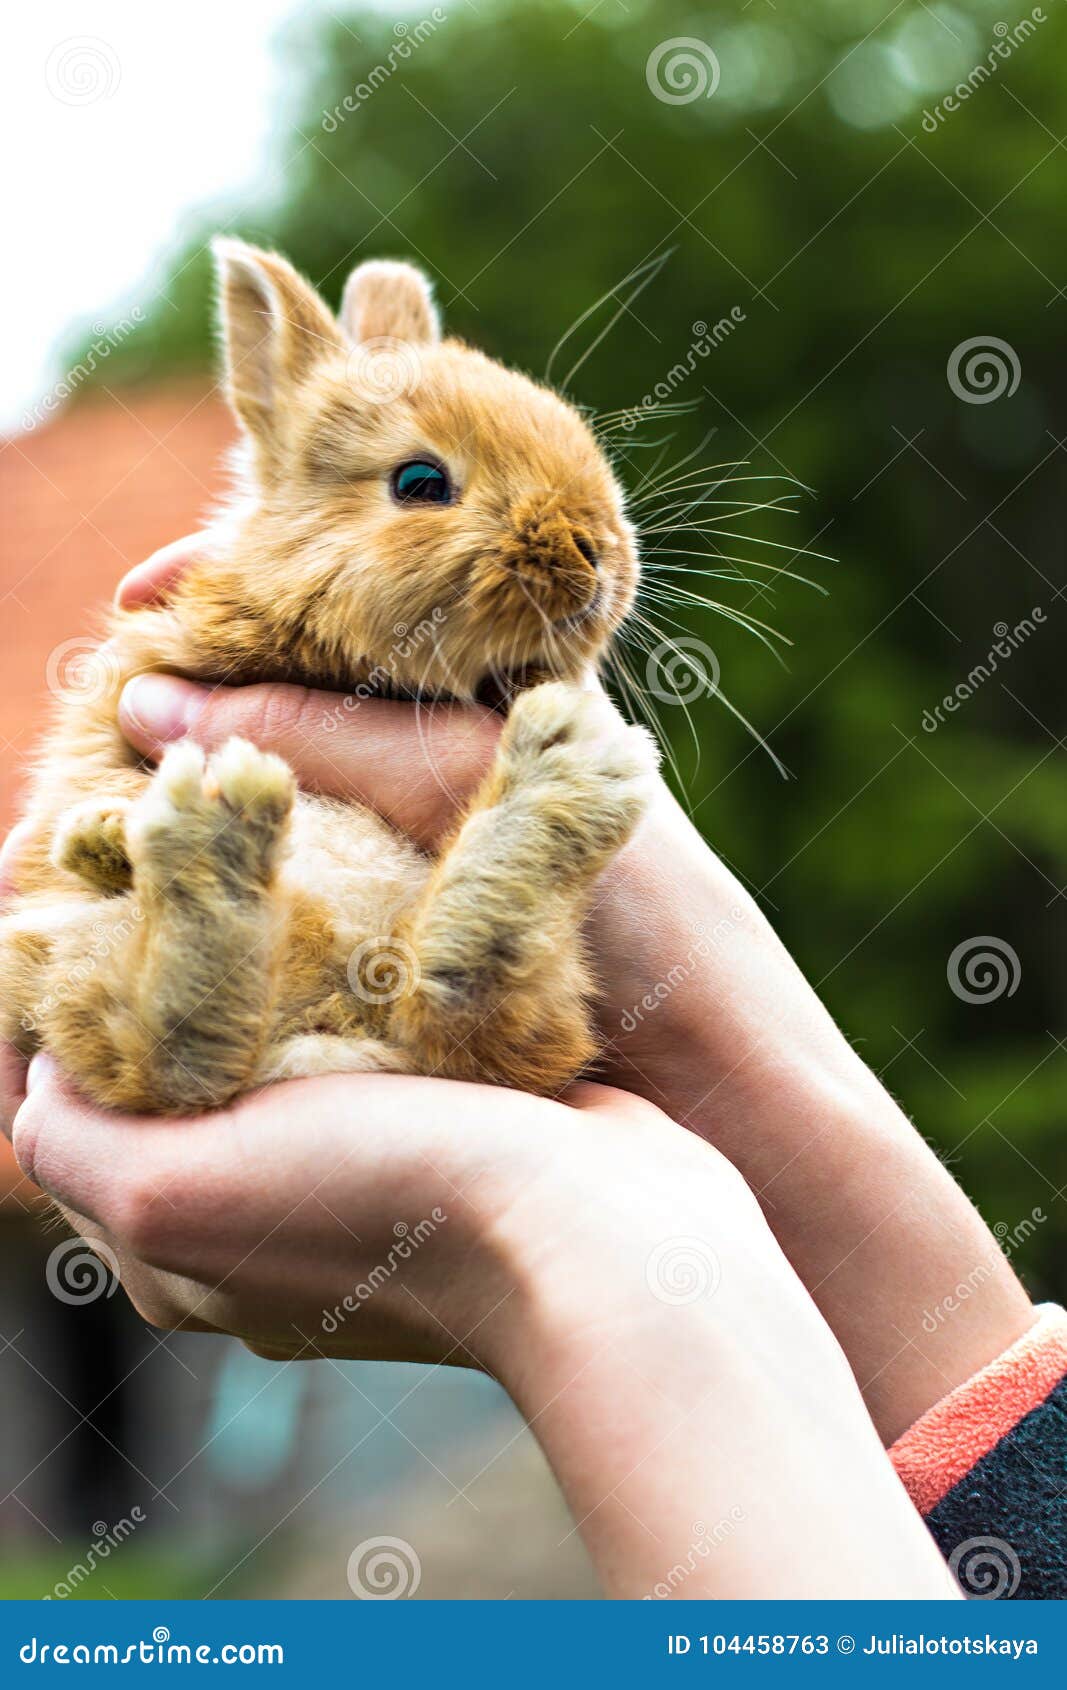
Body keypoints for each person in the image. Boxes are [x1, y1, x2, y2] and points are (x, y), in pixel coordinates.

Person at [2, 539, 1063, 1601]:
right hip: (292, 970)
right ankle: (233, 947)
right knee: (132, 982)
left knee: (456, 1013)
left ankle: (376, 919)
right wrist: (733, 1066)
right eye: (423, 487)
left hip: (366, 992)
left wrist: (562, 1228)